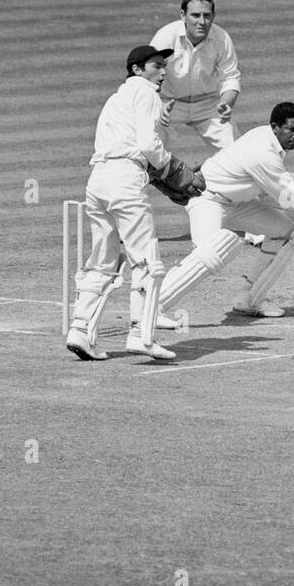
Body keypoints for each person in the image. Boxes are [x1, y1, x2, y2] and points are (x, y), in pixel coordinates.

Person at [65, 45, 204, 362]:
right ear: (137, 69)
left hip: (98, 181)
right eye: (156, 65)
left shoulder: (115, 99)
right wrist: (176, 170)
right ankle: (142, 337)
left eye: (164, 65)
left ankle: (80, 331)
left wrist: (162, 167)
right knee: (148, 262)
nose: (163, 71)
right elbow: (148, 146)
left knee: (102, 261)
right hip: (126, 179)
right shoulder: (146, 93)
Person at [154, 102, 294, 321]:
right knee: (208, 254)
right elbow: (287, 196)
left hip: (239, 203)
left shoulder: (270, 142)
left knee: (285, 232)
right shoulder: (263, 151)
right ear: (275, 127)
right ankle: (154, 307)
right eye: (291, 129)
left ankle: (249, 298)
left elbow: (277, 188)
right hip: (207, 200)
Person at [150, 0, 241, 152]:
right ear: (183, 15)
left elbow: (230, 77)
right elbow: (149, 76)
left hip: (209, 105)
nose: (202, 22)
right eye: (195, 15)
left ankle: (207, 174)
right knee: (148, 150)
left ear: (213, 16)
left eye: (207, 15)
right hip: (169, 104)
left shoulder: (222, 38)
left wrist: (226, 104)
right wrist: (158, 105)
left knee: (238, 153)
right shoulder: (165, 36)